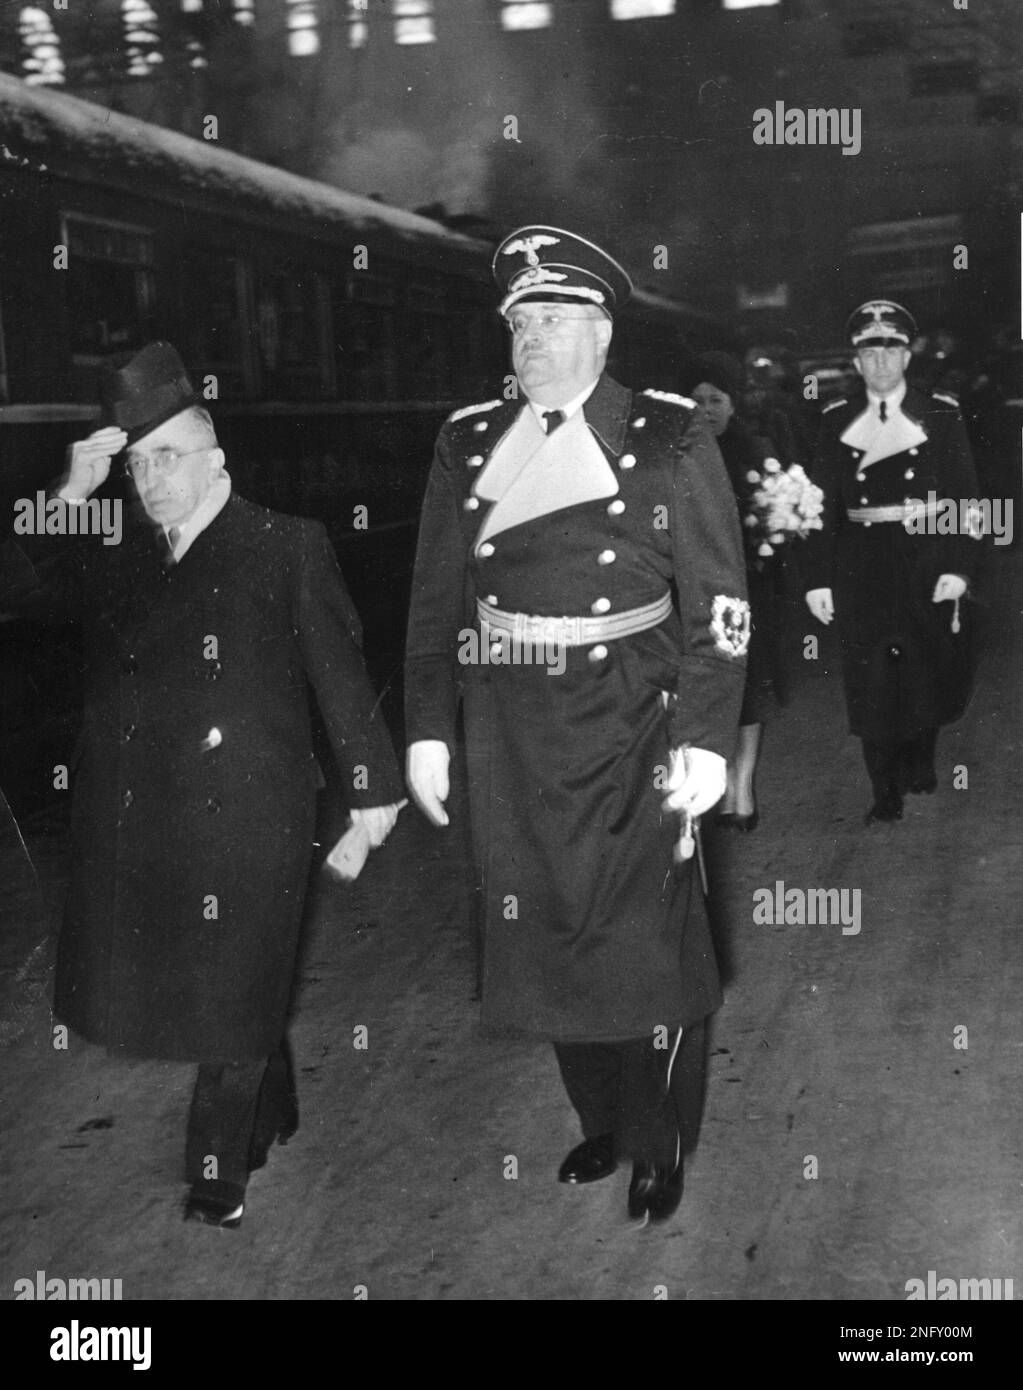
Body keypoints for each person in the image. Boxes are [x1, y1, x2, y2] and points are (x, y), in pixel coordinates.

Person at [0, 342, 405, 1227]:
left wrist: (372, 788)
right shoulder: (116, 551)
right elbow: (14, 589)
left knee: (233, 976)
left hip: (252, 805)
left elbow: (339, 673)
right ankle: (276, 1102)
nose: (151, 478)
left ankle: (217, 1169)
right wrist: (69, 493)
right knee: (230, 979)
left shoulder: (284, 546)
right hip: (147, 812)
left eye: (169, 456)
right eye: (138, 462)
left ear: (215, 456)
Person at [404, 227, 749, 1224]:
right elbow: (436, 604)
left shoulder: (671, 438)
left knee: (640, 940)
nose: (532, 342)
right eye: (520, 323)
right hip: (509, 730)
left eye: (554, 321)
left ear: (601, 331)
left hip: (635, 718)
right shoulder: (468, 441)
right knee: (543, 930)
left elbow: (723, 613)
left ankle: (656, 1136)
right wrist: (428, 727)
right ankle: (603, 1115)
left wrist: (707, 744)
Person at [802, 301, 981, 824]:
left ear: (907, 356)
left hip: (926, 554)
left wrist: (960, 567)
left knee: (925, 666)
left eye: (891, 349)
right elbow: (819, 504)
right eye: (868, 351)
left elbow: (966, 500)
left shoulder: (941, 411)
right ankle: (884, 791)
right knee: (871, 676)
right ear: (856, 362)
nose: (880, 361)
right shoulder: (836, 418)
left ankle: (920, 760)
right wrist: (816, 579)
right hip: (861, 563)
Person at [685, 350, 785, 830]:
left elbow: (778, 517)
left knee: (746, 692)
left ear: (732, 405)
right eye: (697, 399)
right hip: (690, 594)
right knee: (708, 688)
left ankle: (742, 789)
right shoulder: (675, 452)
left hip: (749, 590)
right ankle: (717, 782)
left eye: (715, 399)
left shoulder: (755, 449)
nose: (706, 409)